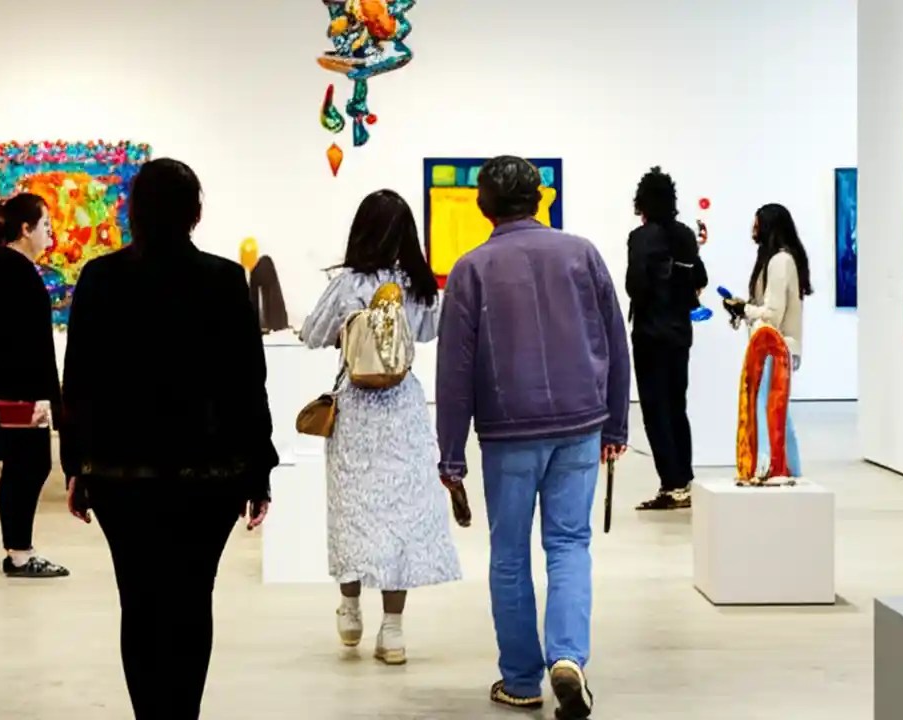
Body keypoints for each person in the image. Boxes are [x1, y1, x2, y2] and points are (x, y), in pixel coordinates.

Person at [60, 158, 276, 720]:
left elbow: (78, 381)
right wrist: (259, 471)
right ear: (195, 214)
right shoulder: (225, 279)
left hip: (120, 476)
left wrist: (76, 466)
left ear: (133, 212)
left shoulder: (102, 278)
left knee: (140, 603)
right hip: (209, 479)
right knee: (190, 601)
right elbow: (247, 382)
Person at [436, 156, 630, 719]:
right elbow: (616, 342)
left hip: (508, 432)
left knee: (510, 552)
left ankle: (521, 679)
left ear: (484, 205)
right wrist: (616, 423)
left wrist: (451, 454)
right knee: (570, 544)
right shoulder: (582, 254)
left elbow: (455, 368)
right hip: (579, 424)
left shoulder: (472, 268)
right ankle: (567, 657)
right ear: (540, 199)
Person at [299, 189, 462, 666]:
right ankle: (393, 631)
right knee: (400, 519)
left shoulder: (346, 284)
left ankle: (350, 610)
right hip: (403, 410)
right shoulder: (419, 286)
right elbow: (434, 331)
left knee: (352, 512)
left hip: (355, 411)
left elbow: (312, 334)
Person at [0, 192, 68, 578]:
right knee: (28, 466)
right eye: (45, 226)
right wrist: (48, 394)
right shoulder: (13, 270)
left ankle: (19, 550)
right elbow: (27, 342)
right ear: (25, 229)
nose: (50, 234)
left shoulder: (3, 267)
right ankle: (20, 553)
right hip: (22, 387)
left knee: (23, 465)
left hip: (16, 385)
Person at [626, 167, 707, 511]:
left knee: (654, 410)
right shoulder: (686, 235)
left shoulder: (640, 238)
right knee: (677, 407)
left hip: (650, 335)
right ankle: (683, 480)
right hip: (679, 334)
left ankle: (671, 485)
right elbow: (699, 277)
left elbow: (635, 286)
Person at [730, 203, 811, 479]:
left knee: (766, 410)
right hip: (779, 348)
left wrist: (746, 310)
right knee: (779, 413)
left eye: (756, 225)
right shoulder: (780, 260)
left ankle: (767, 468)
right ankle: (793, 473)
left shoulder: (780, 261)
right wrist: (746, 310)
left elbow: (773, 315)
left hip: (776, 349)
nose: (753, 230)